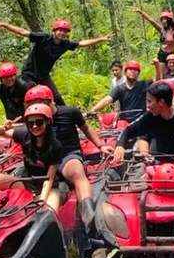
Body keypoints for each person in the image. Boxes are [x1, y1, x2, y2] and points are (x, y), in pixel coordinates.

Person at [8, 87, 109, 227]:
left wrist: (100, 145)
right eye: (31, 104)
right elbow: (14, 134)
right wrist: (6, 127)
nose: (35, 108)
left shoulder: (70, 112)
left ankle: (88, 213)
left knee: (76, 172)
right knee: (15, 174)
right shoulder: (34, 120)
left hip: (67, 156)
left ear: (50, 102)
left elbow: (86, 129)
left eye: (39, 103)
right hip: (43, 159)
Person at [0, 17, 112, 105]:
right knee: (35, 97)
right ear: (54, 30)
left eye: (65, 31)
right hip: (29, 75)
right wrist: (4, 25)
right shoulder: (44, 38)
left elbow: (82, 44)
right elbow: (23, 32)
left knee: (58, 99)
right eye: (60, 30)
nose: (62, 33)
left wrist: (101, 39)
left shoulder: (65, 44)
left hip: (44, 76)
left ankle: (64, 122)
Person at [0, 102, 65, 211]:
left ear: (48, 122)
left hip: (49, 186)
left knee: (49, 210)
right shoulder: (25, 135)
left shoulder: (55, 145)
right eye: (30, 123)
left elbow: (49, 179)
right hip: (27, 182)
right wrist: (5, 127)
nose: (34, 126)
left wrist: (42, 199)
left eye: (39, 122)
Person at [112, 82, 174, 166]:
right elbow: (128, 130)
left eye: (149, 101)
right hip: (162, 165)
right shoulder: (150, 117)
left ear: (161, 102)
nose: (147, 106)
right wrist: (120, 145)